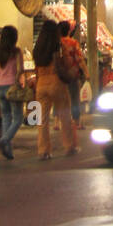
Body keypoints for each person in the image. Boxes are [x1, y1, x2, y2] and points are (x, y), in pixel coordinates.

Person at [32, 20, 77, 159]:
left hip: (41, 84)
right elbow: (67, 62)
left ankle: (43, 150)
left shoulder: (37, 49)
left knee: (42, 120)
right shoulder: (58, 45)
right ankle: (70, 146)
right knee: (65, 116)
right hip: (56, 83)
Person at [0, 25, 26, 159]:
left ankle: (8, 151)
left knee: (6, 117)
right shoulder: (16, 52)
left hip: (0, 86)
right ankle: (5, 139)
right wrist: (16, 81)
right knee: (18, 118)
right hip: (12, 87)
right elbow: (20, 69)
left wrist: (2, 73)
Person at [57, 21, 87, 124]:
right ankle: (76, 121)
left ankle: (58, 122)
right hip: (73, 74)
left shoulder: (56, 43)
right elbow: (79, 59)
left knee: (60, 98)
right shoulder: (73, 43)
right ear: (69, 30)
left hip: (59, 74)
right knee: (75, 98)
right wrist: (86, 72)